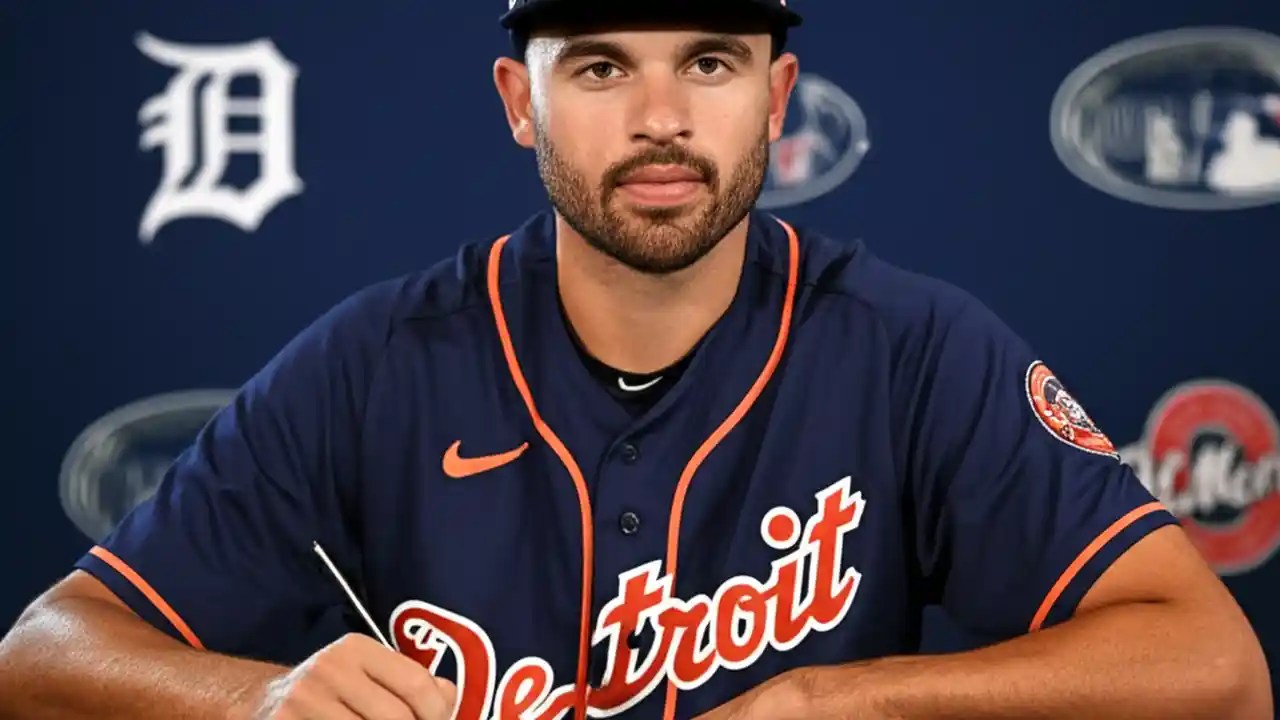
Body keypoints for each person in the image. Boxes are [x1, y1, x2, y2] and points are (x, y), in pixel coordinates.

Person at [0, 1, 1272, 718]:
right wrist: (254, 705)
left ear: (775, 101)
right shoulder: (375, 361)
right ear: (518, 101)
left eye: (706, 63)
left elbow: (1215, 671)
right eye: (601, 66)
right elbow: (42, 654)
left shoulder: (907, 348)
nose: (660, 120)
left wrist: (845, 705)